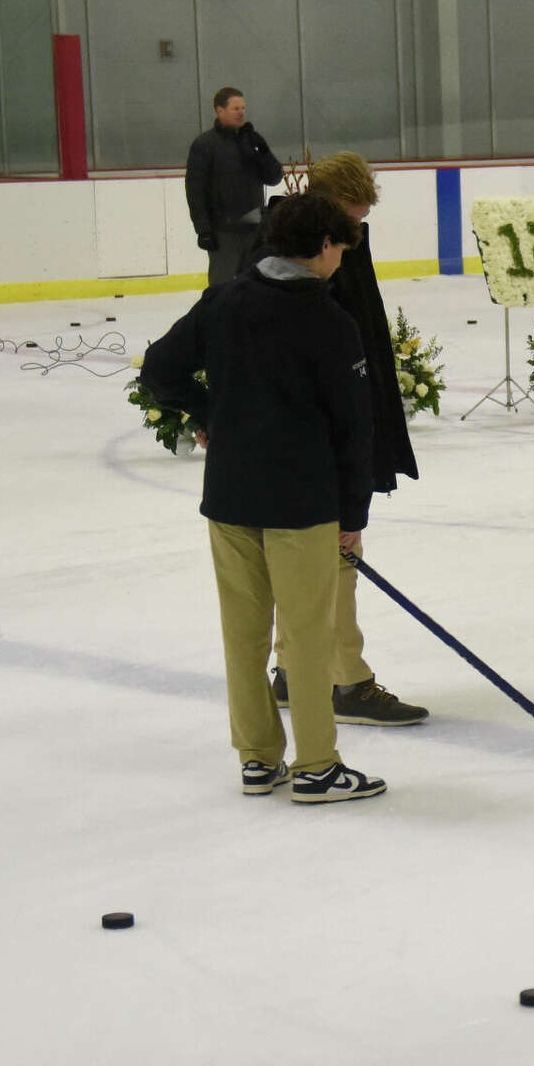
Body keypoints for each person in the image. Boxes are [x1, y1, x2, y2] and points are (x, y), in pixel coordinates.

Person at [139, 191, 385, 804]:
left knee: (244, 636)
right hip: (302, 505)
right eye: (340, 248)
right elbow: (354, 430)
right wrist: (353, 515)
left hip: (231, 499)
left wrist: (210, 414)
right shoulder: (330, 323)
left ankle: (257, 758)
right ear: (323, 246)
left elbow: (159, 370)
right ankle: (317, 767)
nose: (340, 260)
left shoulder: (223, 300)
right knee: (307, 637)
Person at [256, 154, 427, 727]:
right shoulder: (298, 263)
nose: (355, 233)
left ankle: (291, 671)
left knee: (313, 561)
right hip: (318, 438)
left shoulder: (328, 245)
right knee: (335, 560)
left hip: (323, 432)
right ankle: (347, 681)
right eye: (350, 220)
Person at [185, 87, 284, 288]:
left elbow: (274, 178)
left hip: (256, 230)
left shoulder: (251, 142)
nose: (241, 113)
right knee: (222, 289)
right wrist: (203, 229)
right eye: (235, 108)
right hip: (224, 232)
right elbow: (195, 191)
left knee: (256, 287)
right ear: (219, 111)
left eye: (243, 108)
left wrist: (263, 151)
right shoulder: (205, 145)